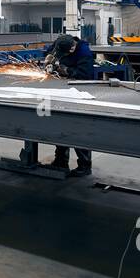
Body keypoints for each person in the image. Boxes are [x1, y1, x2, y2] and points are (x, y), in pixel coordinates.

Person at [45, 32, 95, 176]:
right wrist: (48, 59)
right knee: (60, 126)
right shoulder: (61, 41)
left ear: (72, 49)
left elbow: (85, 75)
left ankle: (85, 166)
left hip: (79, 92)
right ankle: (60, 162)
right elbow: (51, 51)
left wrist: (66, 70)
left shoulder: (84, 52)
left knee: (77, 128)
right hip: (61, 91)